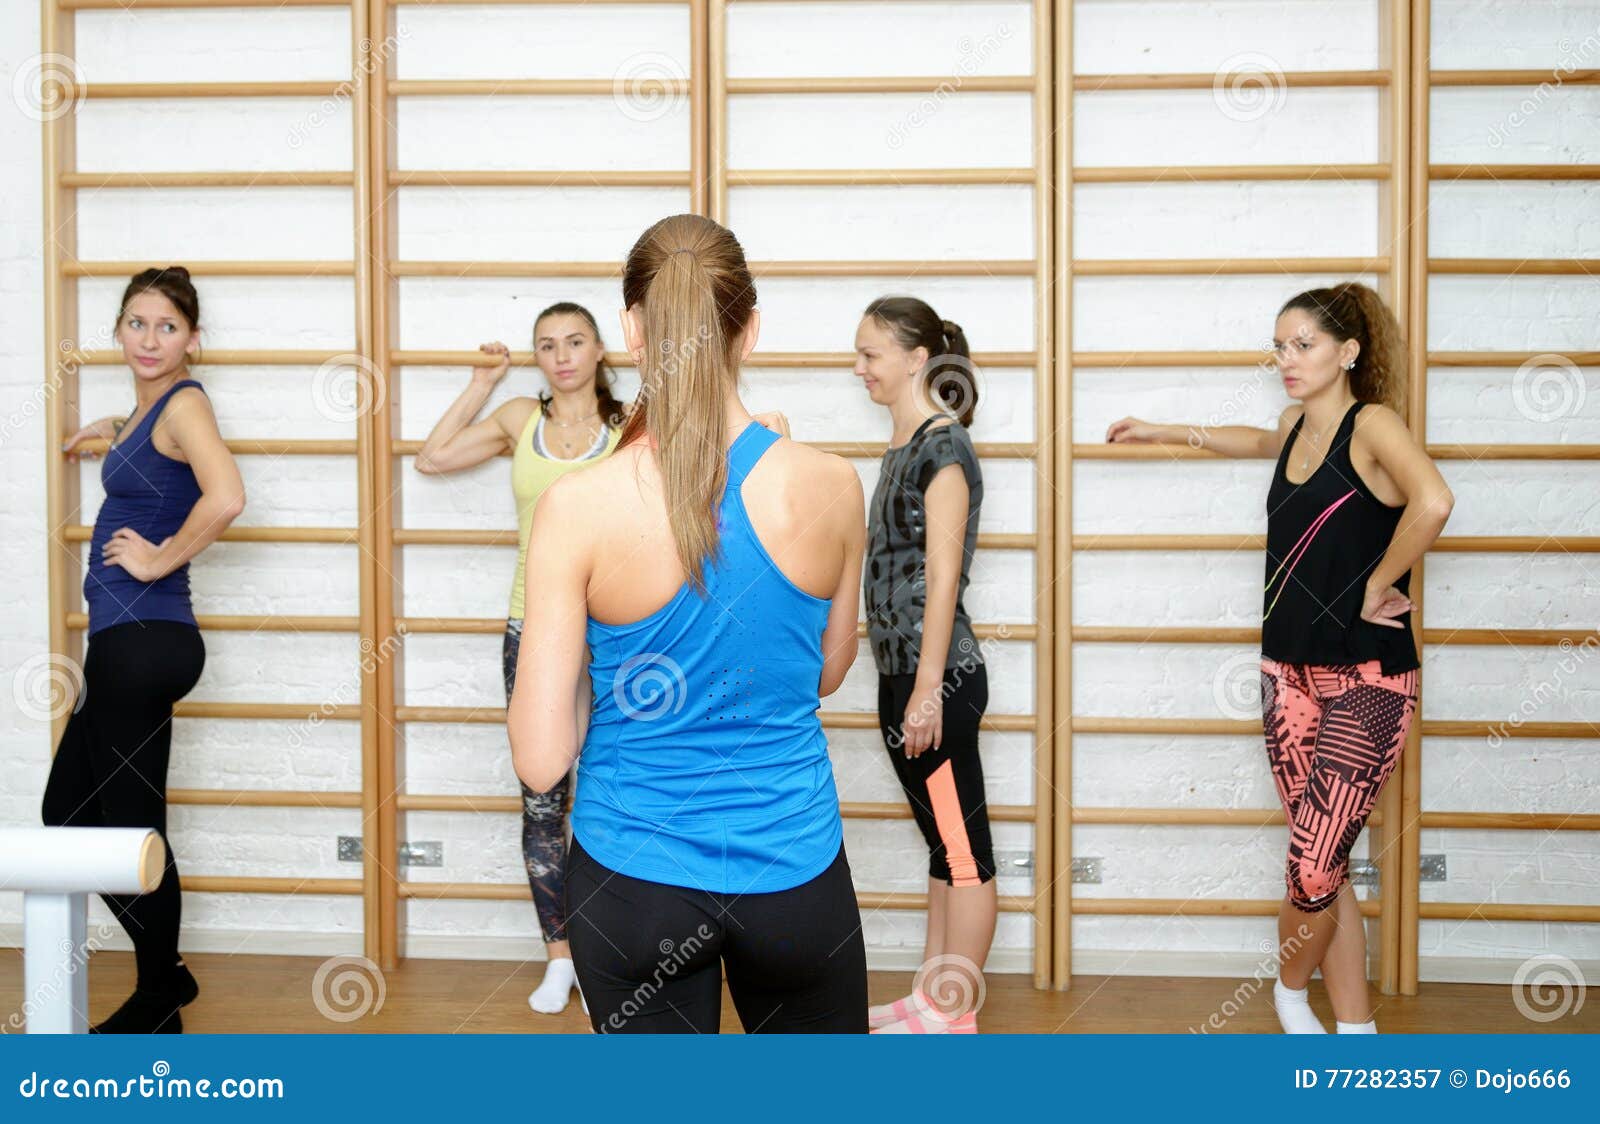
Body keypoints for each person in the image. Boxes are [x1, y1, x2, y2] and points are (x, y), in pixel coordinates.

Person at [507, 213, 869, 1033]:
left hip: (633, 887)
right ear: (752, 327)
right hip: (792, 877)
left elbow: (540, 759)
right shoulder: (832, 484)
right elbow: (823, 673)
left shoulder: (576, 508)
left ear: (631, 328)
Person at [1106, 282, 1454, 1034]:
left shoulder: (1374, 425)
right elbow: (1250, 440)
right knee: (1324, 862)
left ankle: (1290, 989)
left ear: (1348, 351)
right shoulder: (1297, 424)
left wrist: (1381, 582)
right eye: (1280, 346)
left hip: (1370, 677)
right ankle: (1356, 1034)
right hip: (1285, 674)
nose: (1287, 359)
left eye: (1304, 344)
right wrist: (1161, 428)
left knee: (1313, 866)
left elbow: (1433, 500)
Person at [42, 266, 246, 1033]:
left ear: (192, 339)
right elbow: (153, 459)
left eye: (166, 326)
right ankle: (169, 975)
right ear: (119, 330)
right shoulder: (151, 410)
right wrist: (109, 433)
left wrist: (160, 557)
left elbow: (226, 494)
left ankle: (159, 996)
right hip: (126, 644)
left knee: (132, 830)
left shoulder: (186, 403)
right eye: (137, 323)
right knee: (68, 816)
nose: (150, 338)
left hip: (146, 641)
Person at [415, 302, 626, 1014]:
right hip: (531, 626)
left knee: (613, 792)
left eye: (574, 341)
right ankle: (560, 956)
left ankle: (612, 957)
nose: (561, 355)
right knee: (544, 798)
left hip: (617, 635)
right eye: (547, 345)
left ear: (599, 349)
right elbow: (432, 456)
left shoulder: (630, 429)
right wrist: (480, 382)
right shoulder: (518, 420)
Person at [855, 296, 995, 1034]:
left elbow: (943, 580)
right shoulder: (904, 446)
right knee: (944, 847)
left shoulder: (944, 445)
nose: (860, 368)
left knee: (965, 854)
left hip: (935, 679)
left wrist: (927, 691)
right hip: (903, 675)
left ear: (917, 358)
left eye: (871, 354)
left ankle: (954, 1016)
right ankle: (929, 999)